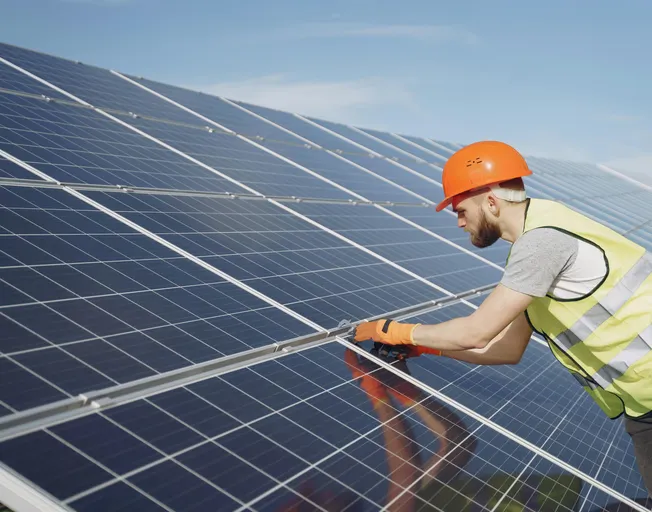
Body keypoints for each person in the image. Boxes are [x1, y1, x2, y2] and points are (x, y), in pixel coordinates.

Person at [352, 140, 652, 499]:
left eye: (461, 209)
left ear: (491, 202)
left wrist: (398, 331)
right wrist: (424, 348)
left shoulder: (541, 245)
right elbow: (505, 349)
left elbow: (477, 332)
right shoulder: (540, 236)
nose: (459, 221)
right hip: (643, 405)